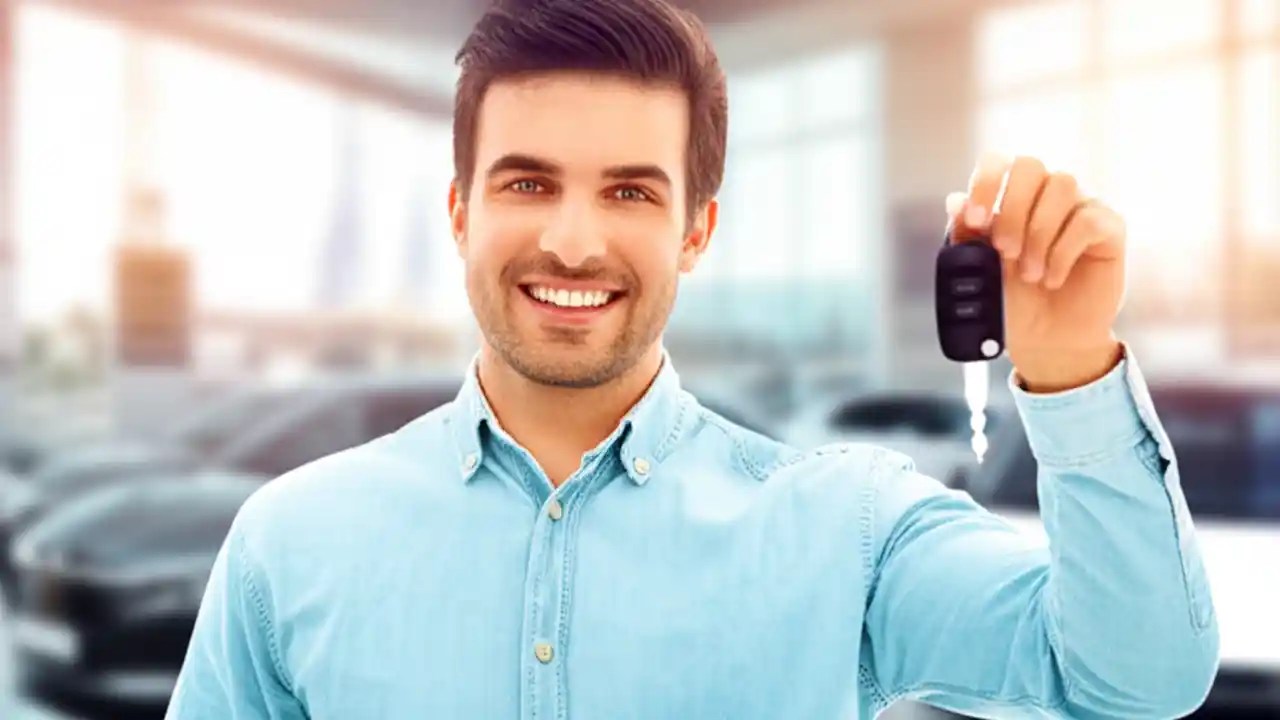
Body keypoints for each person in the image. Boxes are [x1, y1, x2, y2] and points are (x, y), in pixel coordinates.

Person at [166, 0, 1219, 718]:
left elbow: (1133, 679)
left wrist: (1073, 368)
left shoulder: (845, 530)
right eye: (528, 183)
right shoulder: (289, 544)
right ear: (459, 211)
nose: (572, 241)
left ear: (696, 231)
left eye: (630, 192)